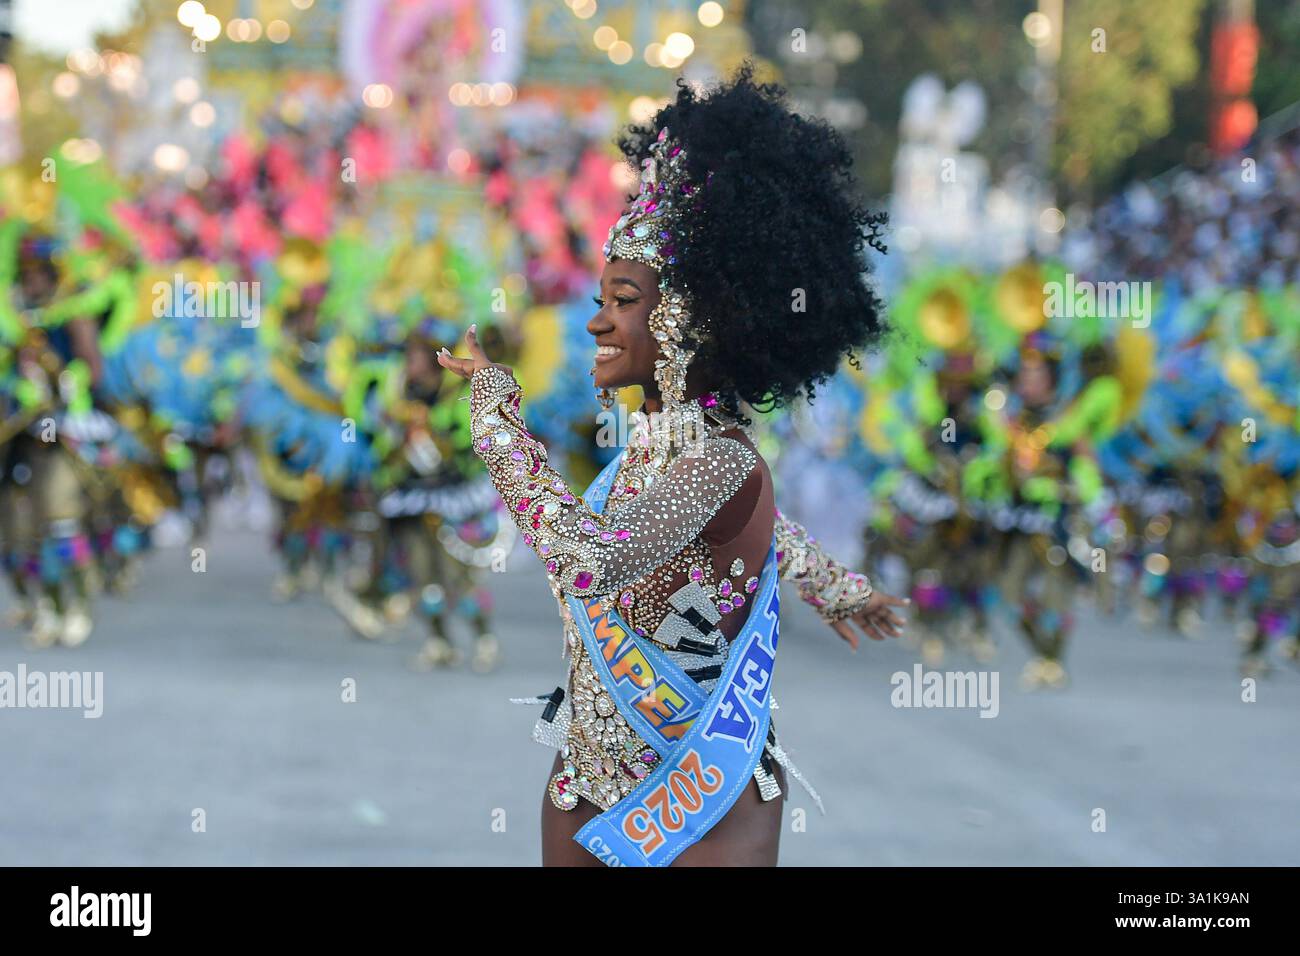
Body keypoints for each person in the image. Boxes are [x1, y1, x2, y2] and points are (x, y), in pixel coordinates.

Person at [437, 66, 908, 867]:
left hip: (702, 790)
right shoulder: (657, 455)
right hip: (585, 776)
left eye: (620, 298)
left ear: (682, 318)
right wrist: (830, 581)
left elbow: (591, 560)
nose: (595, 321)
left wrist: (497, 421)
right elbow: (752, 531)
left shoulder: (717, 458)